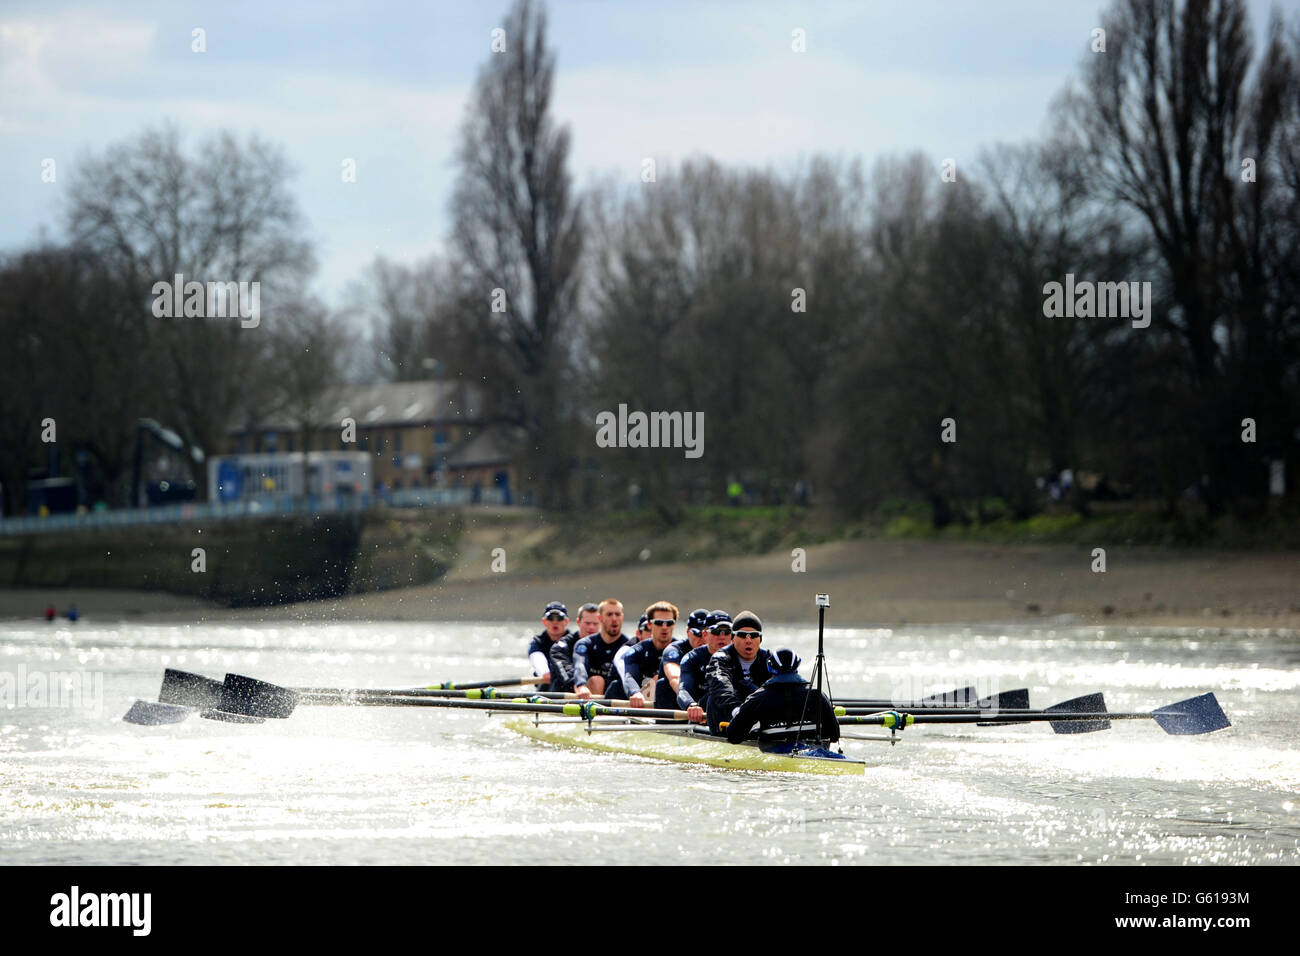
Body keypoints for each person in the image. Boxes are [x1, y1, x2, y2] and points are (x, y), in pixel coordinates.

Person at [723, 648, 840, 746]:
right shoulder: (817, 694)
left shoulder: (758, 698)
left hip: (772, 754)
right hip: (814, 753)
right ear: (797, 666)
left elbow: (734, 736)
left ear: (770, 668)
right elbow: (834, 734)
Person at [704, 610, 774, 735]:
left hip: (759, 717)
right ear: (732, 638)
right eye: (742, 635)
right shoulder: (720, 657)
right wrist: (737, 711)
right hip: (729, 716)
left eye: (753, 635)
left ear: (760, 639)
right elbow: (721, 684)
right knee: (713, 697)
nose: (748, 640)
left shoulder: (769, 659)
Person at [609, 602, 678, 706]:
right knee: (616, 685)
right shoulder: (635, 651)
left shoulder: (682, 651)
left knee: (661, 682)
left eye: (669, 623)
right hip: (641, 703)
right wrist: (635, 692)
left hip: (671, 702)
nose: (664, 627)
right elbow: (629, 676)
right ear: (650, 625)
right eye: (659, 622)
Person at [675, 610, 733, 724]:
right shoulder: (691, 658)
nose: (722, 637)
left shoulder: (741, 656)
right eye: (716, 631)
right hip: (702, 712)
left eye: (727, 632)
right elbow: (683, 690)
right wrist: (691, 705)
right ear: (705, 634)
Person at [572, 598, 631, 700]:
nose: (614, 619)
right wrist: (581, 685)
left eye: (617, 614)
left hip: (617, 692)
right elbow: (579, 665)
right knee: (597, 680)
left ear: (622, 617)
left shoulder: (629, 646)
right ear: (600, 618)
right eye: (609, 614)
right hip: (592, 692)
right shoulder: (585, 644)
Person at [653, 608, 708, 709]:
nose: (703, 638)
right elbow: (675, 678)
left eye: (706, 633)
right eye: (697, 633)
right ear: (687, 632)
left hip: (701, 705)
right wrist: (689, 703)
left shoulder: (718, 651)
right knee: (664, 683)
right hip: (678, 705)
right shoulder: (674, 650)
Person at [526, 601, 575, 691]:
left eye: (559, 618)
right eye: (551, 618)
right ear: (544, 621)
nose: (555, 622)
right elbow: (537, 658)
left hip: (571, 686)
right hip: (547, 686)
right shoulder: (537, 642)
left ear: (566, 621)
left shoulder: (574, 641)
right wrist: (545, 673)